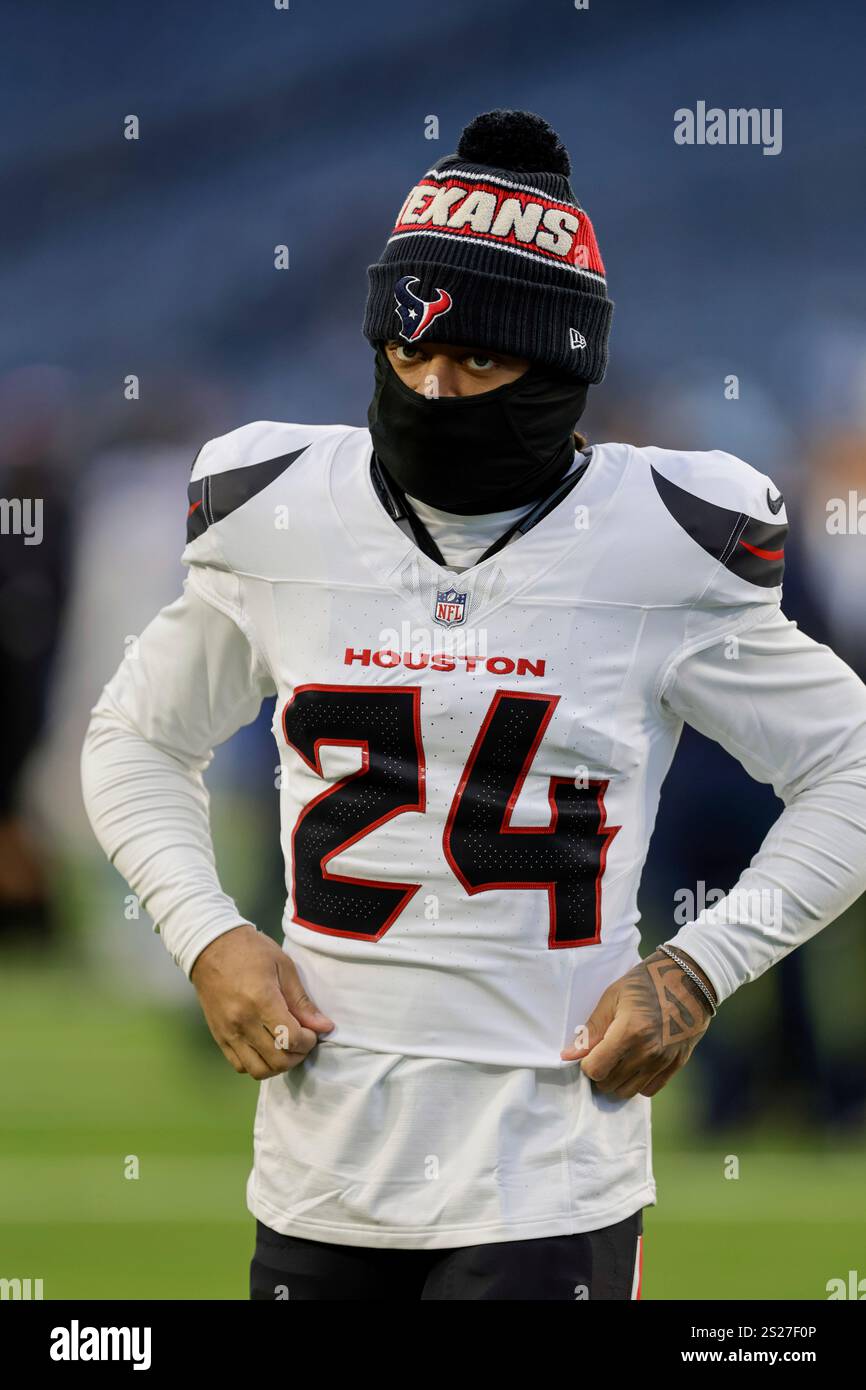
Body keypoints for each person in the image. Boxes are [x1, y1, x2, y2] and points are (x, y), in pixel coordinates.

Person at [81, 109, 866, 1301]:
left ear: (559, 365)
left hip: (548, 1179)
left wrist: (701, 966)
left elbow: (850, 766)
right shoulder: (282, 511)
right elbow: (135, 736)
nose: (434, 389)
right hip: (317, 1174)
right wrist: (203, 931)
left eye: (477, 362)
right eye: (406, 356)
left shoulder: (656, 545)